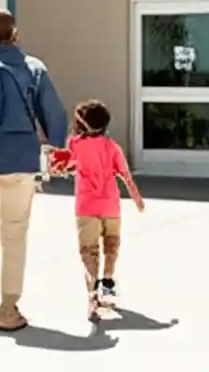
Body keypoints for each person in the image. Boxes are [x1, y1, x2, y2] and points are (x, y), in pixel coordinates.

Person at [0, 8, 68, 332]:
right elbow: (53, 113)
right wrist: (58, 147)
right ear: (14, 34)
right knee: (14, 231)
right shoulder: (32, 67)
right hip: (19, 156)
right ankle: (8, 307)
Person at [67, 99, 145, 321]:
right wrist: (137, 199)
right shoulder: (113, 147)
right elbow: (126, 175)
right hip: (111, 206)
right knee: (111, 247)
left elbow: (66, 163)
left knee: (88, 252)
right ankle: (108, 283)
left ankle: (93, 293)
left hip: (86, 207)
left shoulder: (76, 144)